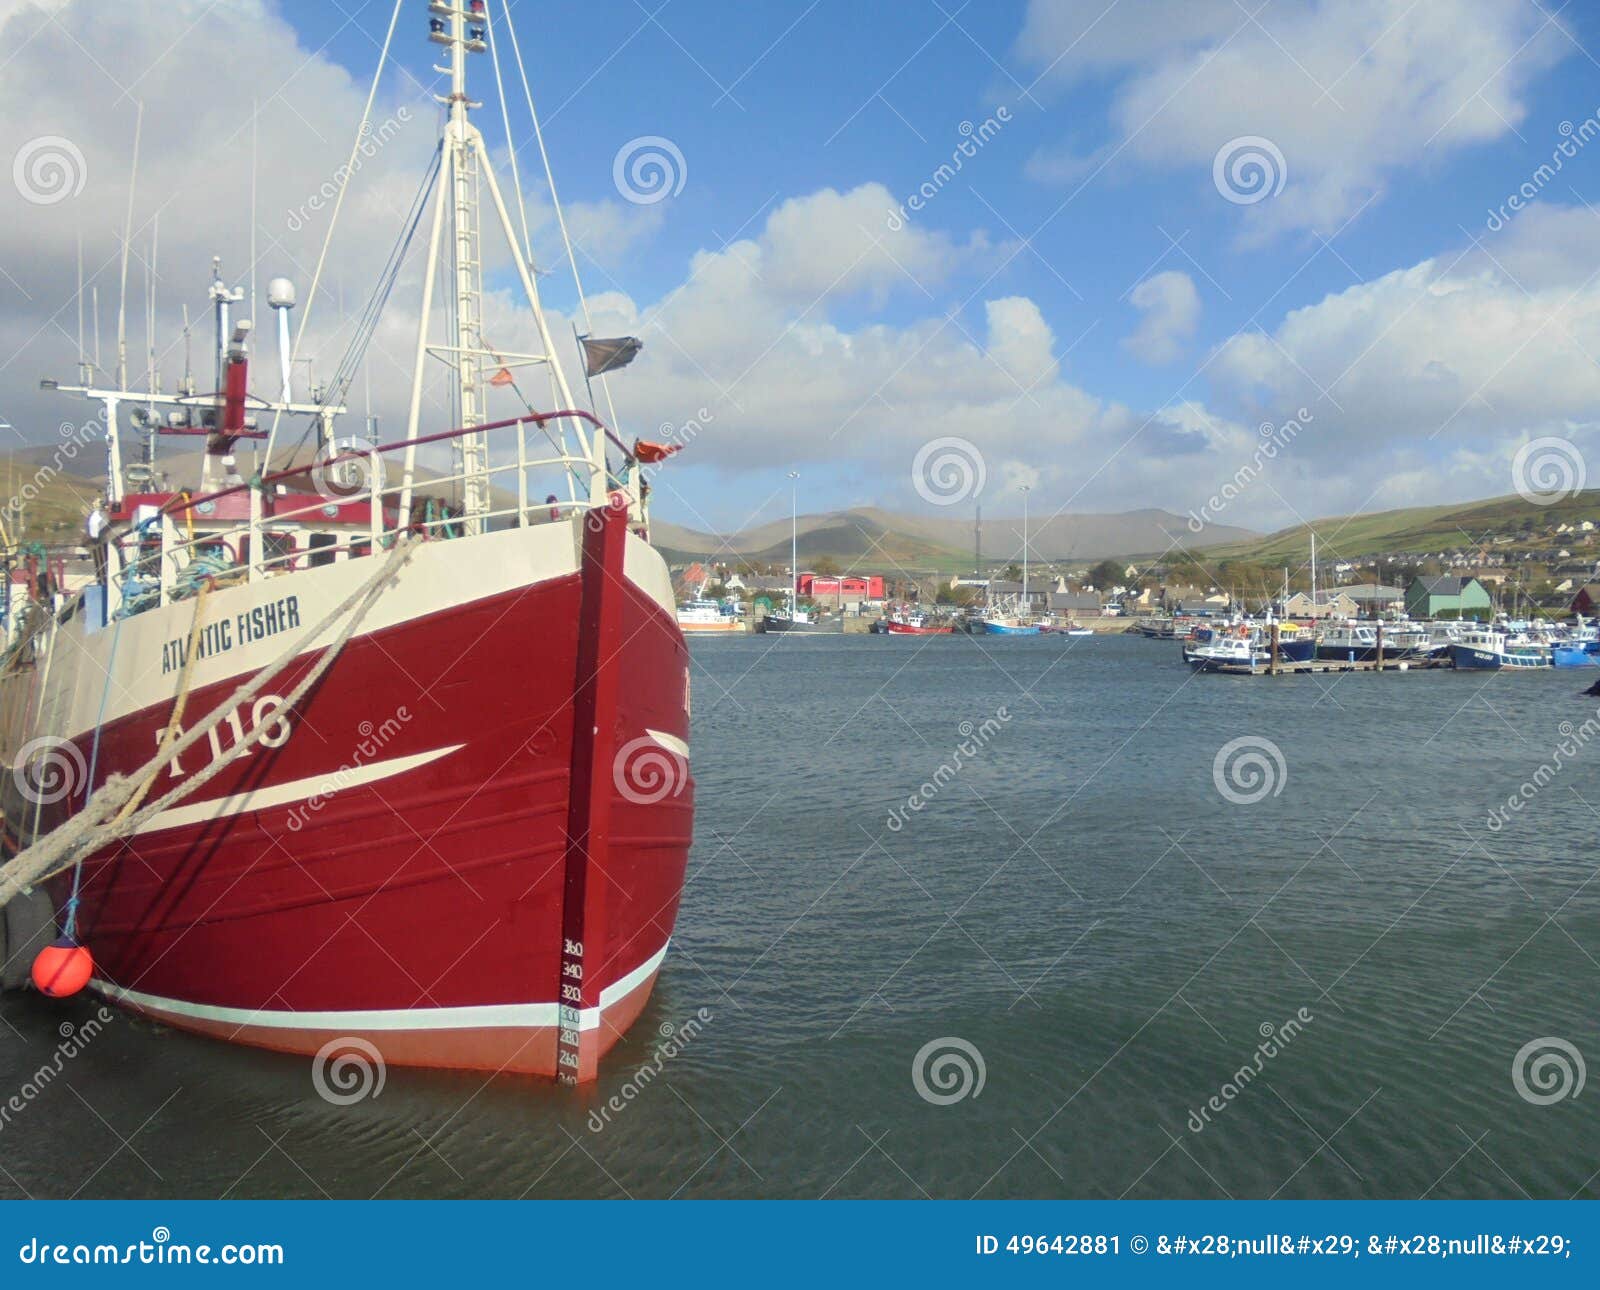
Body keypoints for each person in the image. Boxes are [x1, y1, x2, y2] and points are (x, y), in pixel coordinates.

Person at [86, 497, 109, 582]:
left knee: (100, 564)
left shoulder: (93, 516)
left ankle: (101, 579)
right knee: (104, 563)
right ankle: (103, 579)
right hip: (101, 542)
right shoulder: (100, 515)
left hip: (96, 541)